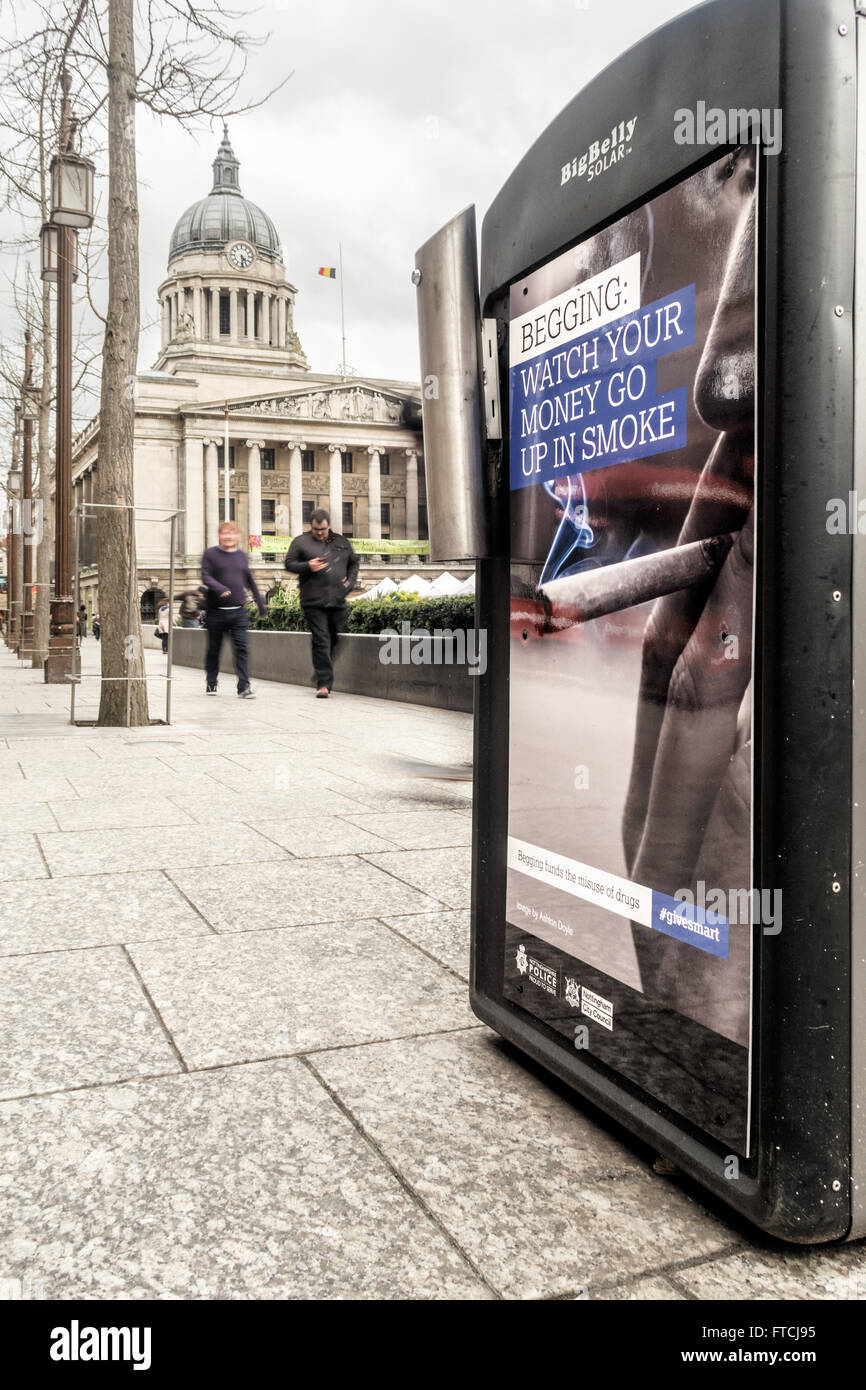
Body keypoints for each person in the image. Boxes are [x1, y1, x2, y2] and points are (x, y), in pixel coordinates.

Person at [284, 508, 358, 697]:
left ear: (329, 525)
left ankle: (320, 673)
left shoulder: (341, 541)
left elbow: (353, 562)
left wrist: (349, 584)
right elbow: (289, 563)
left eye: (323, 529)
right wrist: (308, 566)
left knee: (335, 639)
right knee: (321, 640)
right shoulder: (301, 542)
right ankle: (323, 685)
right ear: (311, 526)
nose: (320, 533)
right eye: (316, 530)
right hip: (313, 601)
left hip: (337, 599)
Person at [201, 521, 267, 697]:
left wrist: (261, 604)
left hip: (238, 611)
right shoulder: (210, 554)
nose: (228, 537)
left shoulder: (241, 556)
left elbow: (249, 581)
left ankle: (243, 686)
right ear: (219, 536)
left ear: (237, 536)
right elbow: (205, 576)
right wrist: (219, 588)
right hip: (216, 612)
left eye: (232, 533)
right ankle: (211, 682)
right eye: (225, 533)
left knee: (242, 648)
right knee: (214, 650)